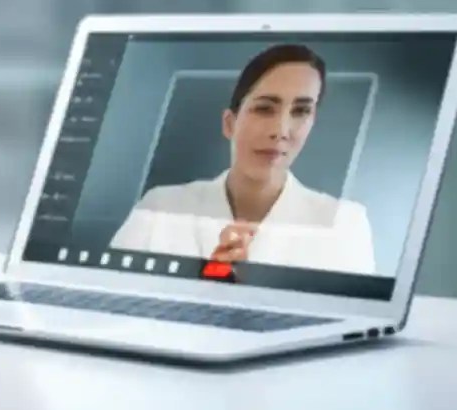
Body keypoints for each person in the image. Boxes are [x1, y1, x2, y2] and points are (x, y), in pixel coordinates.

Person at [109, 44, 377, 275]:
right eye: (264, 108)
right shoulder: (160, 208)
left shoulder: (345, 224)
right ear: (230, 123)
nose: (281, 131)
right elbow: (109, 304)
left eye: (301, 111)